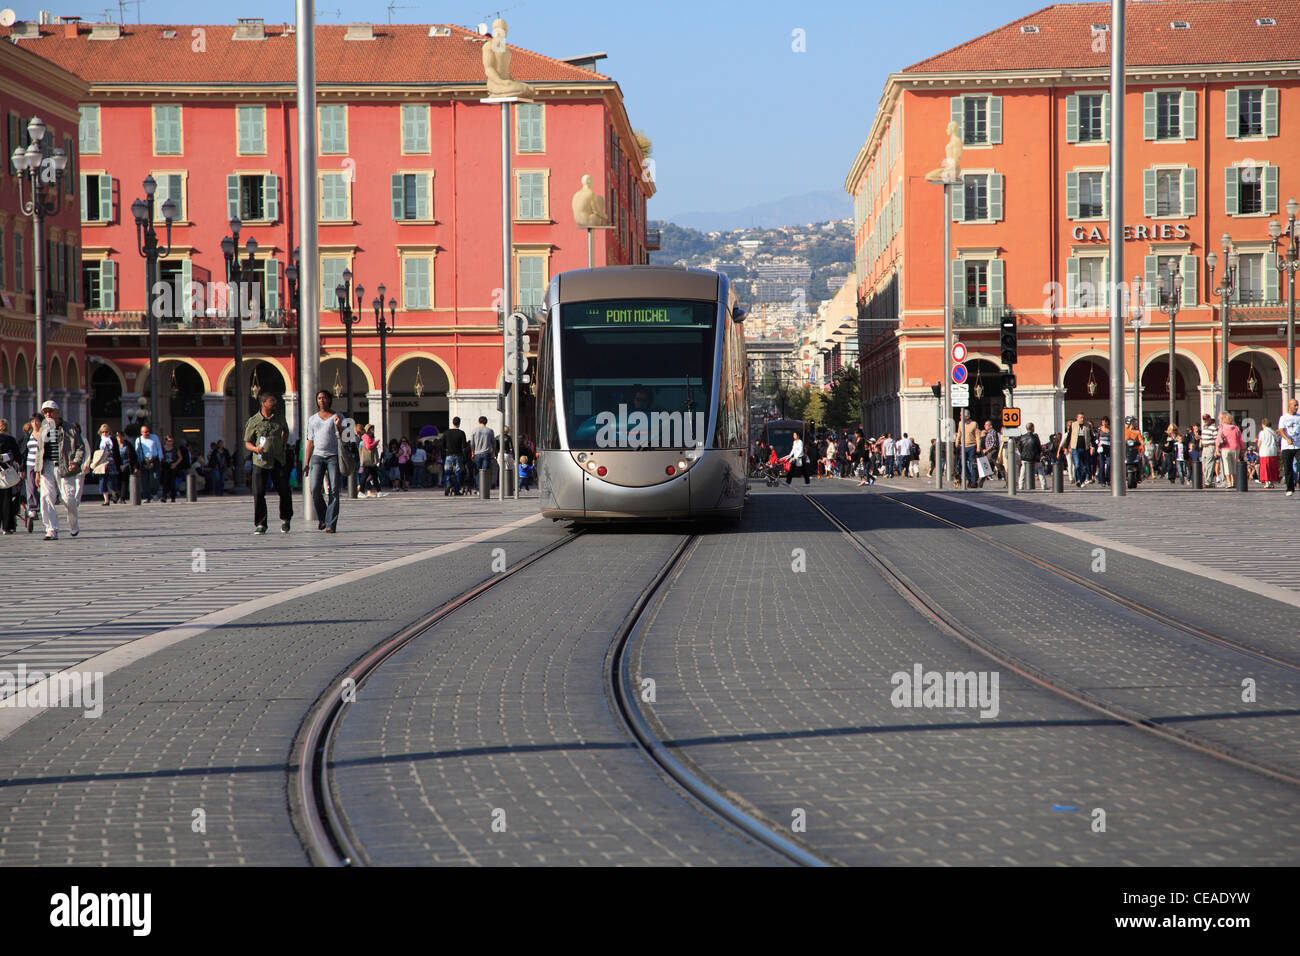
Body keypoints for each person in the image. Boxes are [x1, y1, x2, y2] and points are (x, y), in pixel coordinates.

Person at [34, 400, 85, 541]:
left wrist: (75, 462)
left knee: (69, 499)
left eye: (50, 411)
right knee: (46, 498)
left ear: (58, 412)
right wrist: (38, 471)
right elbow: (39, 451)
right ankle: (51, 529)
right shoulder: (43, 429)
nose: (48, 414)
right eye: (45, 412)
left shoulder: (69, 428)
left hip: (65, 467)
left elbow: (80, 447)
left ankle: (73, 524)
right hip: (47, 467)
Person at [244, 392, 292, 534]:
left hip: (278, 459)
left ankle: (286, 519)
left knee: (284, 491)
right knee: (258, 493)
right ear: (263, 403)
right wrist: (255, 448)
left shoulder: (280, 418)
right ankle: (261, 523)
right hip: (260, 461)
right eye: (272, 401)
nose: (274, 404)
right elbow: (247, 442)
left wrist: (282, 445)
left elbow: (286, 431)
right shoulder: (254, 421)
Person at [305, 389, 345, 533]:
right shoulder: (312, 419)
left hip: (333, 456)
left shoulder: (338, 416)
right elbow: (310, 441)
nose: (322, 400)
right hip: (317, 456)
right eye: (319, 398)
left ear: (329, 400)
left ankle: (331, 524)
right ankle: (323, 517)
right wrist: (306, 462)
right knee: (314, 488)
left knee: (333, 490)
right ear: (317, 401)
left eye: (324, 398)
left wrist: (339, 425)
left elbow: (346, 436)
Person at [0, 419, 20, 533]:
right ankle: (6, 526)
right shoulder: (10, 439)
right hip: (6, 472)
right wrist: (21, 469)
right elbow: (17, 455)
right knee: (6, 501)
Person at [1062, 413, 1093, 487]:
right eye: (1081, 418)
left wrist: (1093, 446)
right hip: (1075, 448)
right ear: (1077, 418)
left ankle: (1082, 480)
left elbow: (1091, 436)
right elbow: (1069, 436)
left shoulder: (1087, 425)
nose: (1082, 419)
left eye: (1083, 418)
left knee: (1085, 466)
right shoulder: (1073, 425)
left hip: (1085, 448)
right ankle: (1078, 480)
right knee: (1077, 464)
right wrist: (1066, 447)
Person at [91, 424, 119, 505]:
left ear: (109, 432)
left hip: (111, 462)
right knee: (102, 481)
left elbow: (117, 453)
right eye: (103, 432)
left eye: (106, 431)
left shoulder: (113, 440)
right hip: (102, 463)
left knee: (112, 481)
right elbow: (95, 452)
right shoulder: (99, 440)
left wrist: (119, 464)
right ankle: (106, 500)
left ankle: (114, 494)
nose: (104, 433)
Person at [1216, 411, 1244, 490]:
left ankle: (1228, 482)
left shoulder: (1222, 428)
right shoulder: (1236, 428)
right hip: (1236, 448)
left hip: (1225, 448)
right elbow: (1240, 439)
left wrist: (1217, 449)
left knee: (1227, 465)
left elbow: (1218, 439)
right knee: (1234, 465)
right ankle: (1234, 481)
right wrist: (1242, 449)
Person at [134, 424, 163, 502]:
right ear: (141, 432)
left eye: (148, 431)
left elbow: (159, 447)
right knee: (145, 479)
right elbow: (137, 451)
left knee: (155, 477)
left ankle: (154, 493)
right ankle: (147, 496)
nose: (147, 433)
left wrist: (160, 457)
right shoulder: (139, 440)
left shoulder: (154, 437)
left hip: (154, 459)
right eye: (145, 432)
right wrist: (138, 462)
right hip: (144, 461)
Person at [1278, 398, 1300, 496]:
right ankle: (1289, 488)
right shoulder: (1284, 418)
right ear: (1289, 406)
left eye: (1297, 405)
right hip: (1287, 446)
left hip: (1298, 445)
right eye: (1294, 405)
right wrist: (1287, 438)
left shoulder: (1299, 417)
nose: (1296, 407)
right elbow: (1281, 430)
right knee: (1288, 467)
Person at [443, 416, 468, 496]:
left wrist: (445, 449)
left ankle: (448, 485)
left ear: (452, 422)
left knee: (448, 472)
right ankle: (456, 490)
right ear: (459, 423)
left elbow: (442, 444)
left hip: (449, 455)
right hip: (458, 454)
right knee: (458, 472)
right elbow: (464, 445)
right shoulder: (461, 433)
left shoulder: (446, 433)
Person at [470, 416, 496, 488]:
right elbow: (493, 443)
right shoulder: (490, 431)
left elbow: (472, 443)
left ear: (479, 422)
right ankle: (484, 487)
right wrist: (493, 452)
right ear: (486, 422)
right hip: (487, 453)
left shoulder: (474, 431)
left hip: (477, 453)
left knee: (477, 471)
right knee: (485, 471)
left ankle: (478, 487)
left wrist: (472, 452)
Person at [1015, 422, 1041, 491]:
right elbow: (1039, 448)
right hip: (1034, 458)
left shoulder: (1022, 437)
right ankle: (1043, 485)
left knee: (1022, 472)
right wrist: (1038, 455)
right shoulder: (1035, 437)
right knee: (1040, 470)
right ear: (1032, 428)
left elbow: (1019, 447)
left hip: (1024, 457)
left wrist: (1022, 453)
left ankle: (1021, 485)